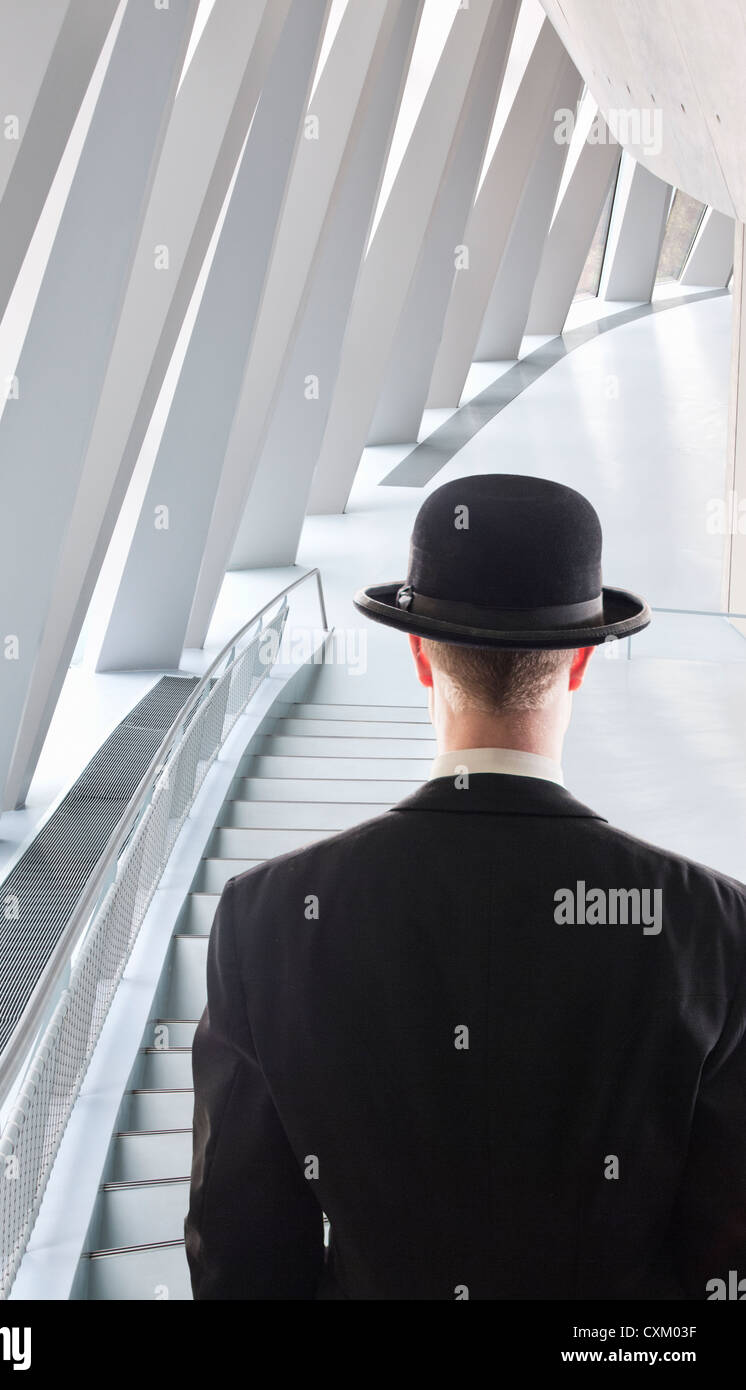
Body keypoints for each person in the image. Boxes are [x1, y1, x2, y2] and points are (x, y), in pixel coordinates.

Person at [184, 473, 746, 1300]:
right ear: (582, 661)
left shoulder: (266, 919)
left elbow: (240, 1257)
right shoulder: (713, 925)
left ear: (419, 655)